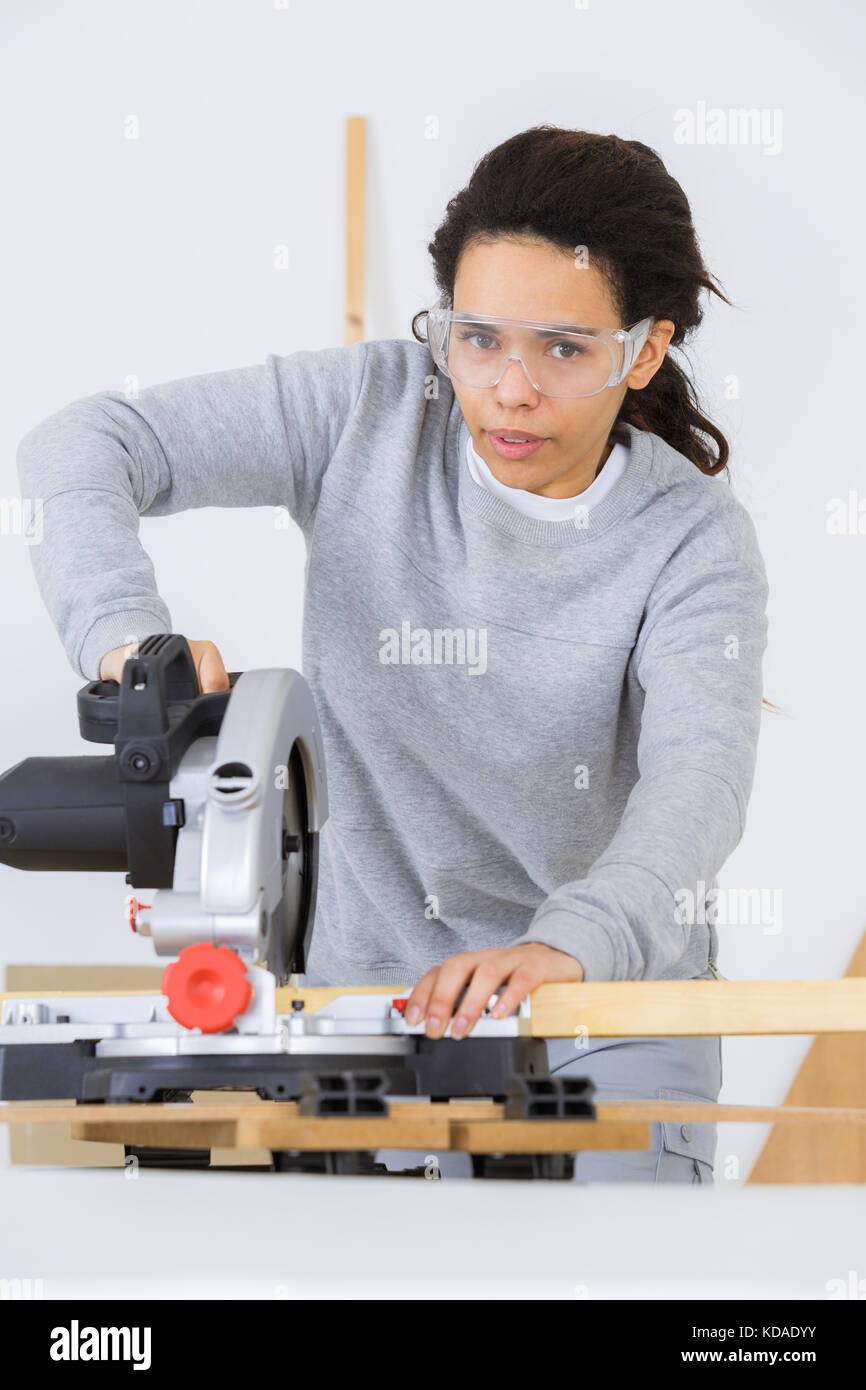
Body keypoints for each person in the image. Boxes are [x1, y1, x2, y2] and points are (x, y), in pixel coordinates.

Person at [16, 126, 769, 1183]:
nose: (509, 389)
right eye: (476, 338)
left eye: (563, 348)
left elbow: (699, 785)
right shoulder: (368, 410)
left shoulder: (690, 537)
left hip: (603, 1011)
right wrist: (124, 642)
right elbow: (77, 447)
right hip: (361, 1013)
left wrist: (571, 942)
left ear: (642, 349)